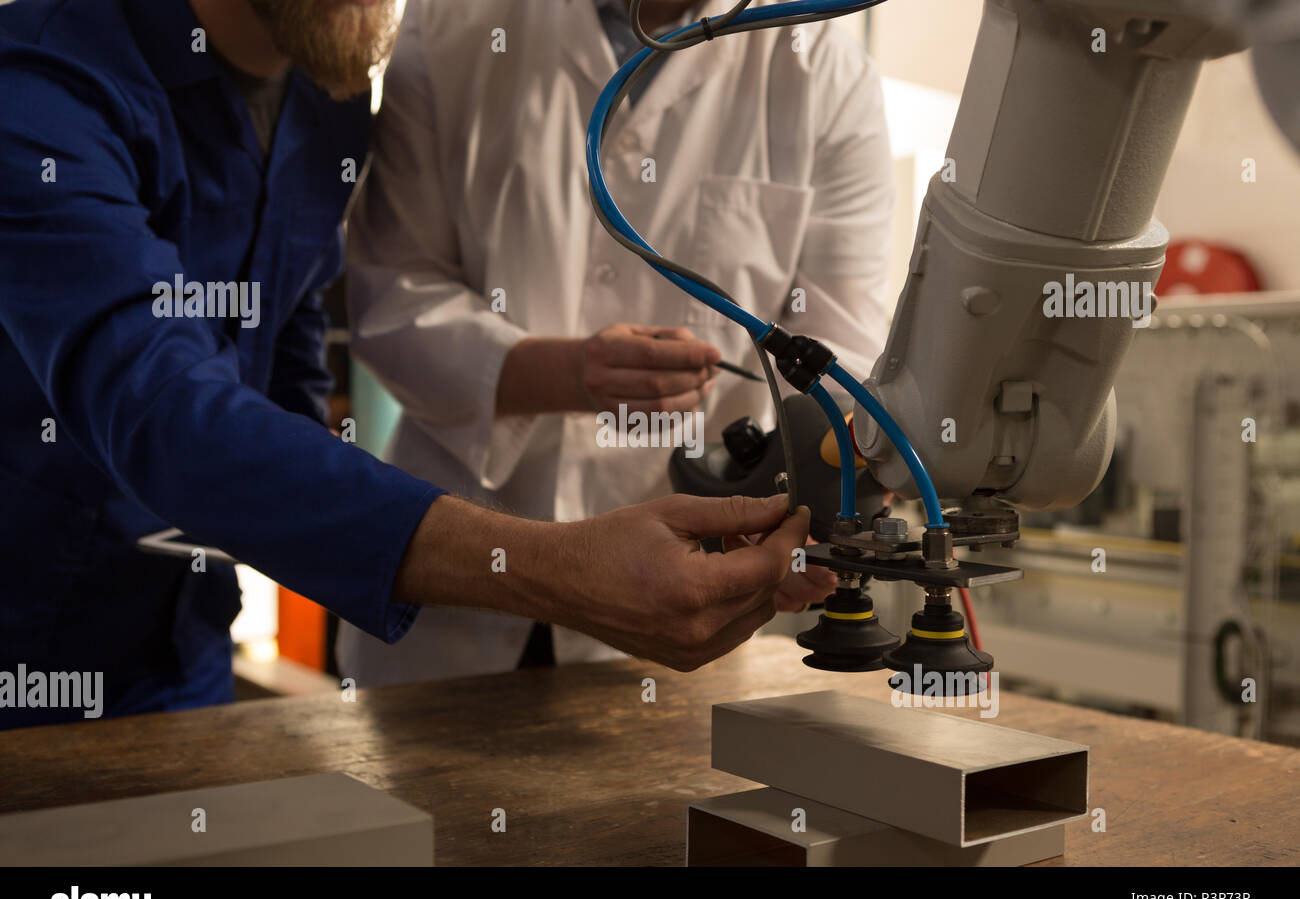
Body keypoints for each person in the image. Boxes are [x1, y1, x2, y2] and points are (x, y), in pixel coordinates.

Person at [0, 0, 811, 730]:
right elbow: (172, 418)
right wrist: (553, 569)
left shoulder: (325, 100)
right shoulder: (37, 92)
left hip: (181, 650)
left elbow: (286, 382)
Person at [338, 0, 895, 683]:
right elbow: (388, 293)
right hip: (451, 611)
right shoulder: (459, 22)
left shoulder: (823, 72)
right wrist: (565, 373)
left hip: (685, 620)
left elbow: (842, 368)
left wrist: (804, 514)